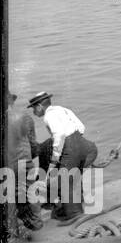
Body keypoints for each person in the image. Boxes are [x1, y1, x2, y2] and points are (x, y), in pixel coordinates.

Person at [27, 93, 101, 222]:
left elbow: (59, 135)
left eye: (34, 108)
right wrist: (76, 143)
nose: (34, 112)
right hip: (87, 148)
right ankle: (77, 202)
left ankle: (74, 214)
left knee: (64, 179)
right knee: (73, 175)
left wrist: (55, 158)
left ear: (39, 106)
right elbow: (81, 127)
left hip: (70, 147)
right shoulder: (63, 109)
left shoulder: (48, 116)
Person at [6, 91, 42, 235]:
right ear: (11, 102)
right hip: (24, 162)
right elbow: (33, 145)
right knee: (30, 192)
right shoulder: (25, 117)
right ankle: (36, 223)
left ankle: (12, 230)